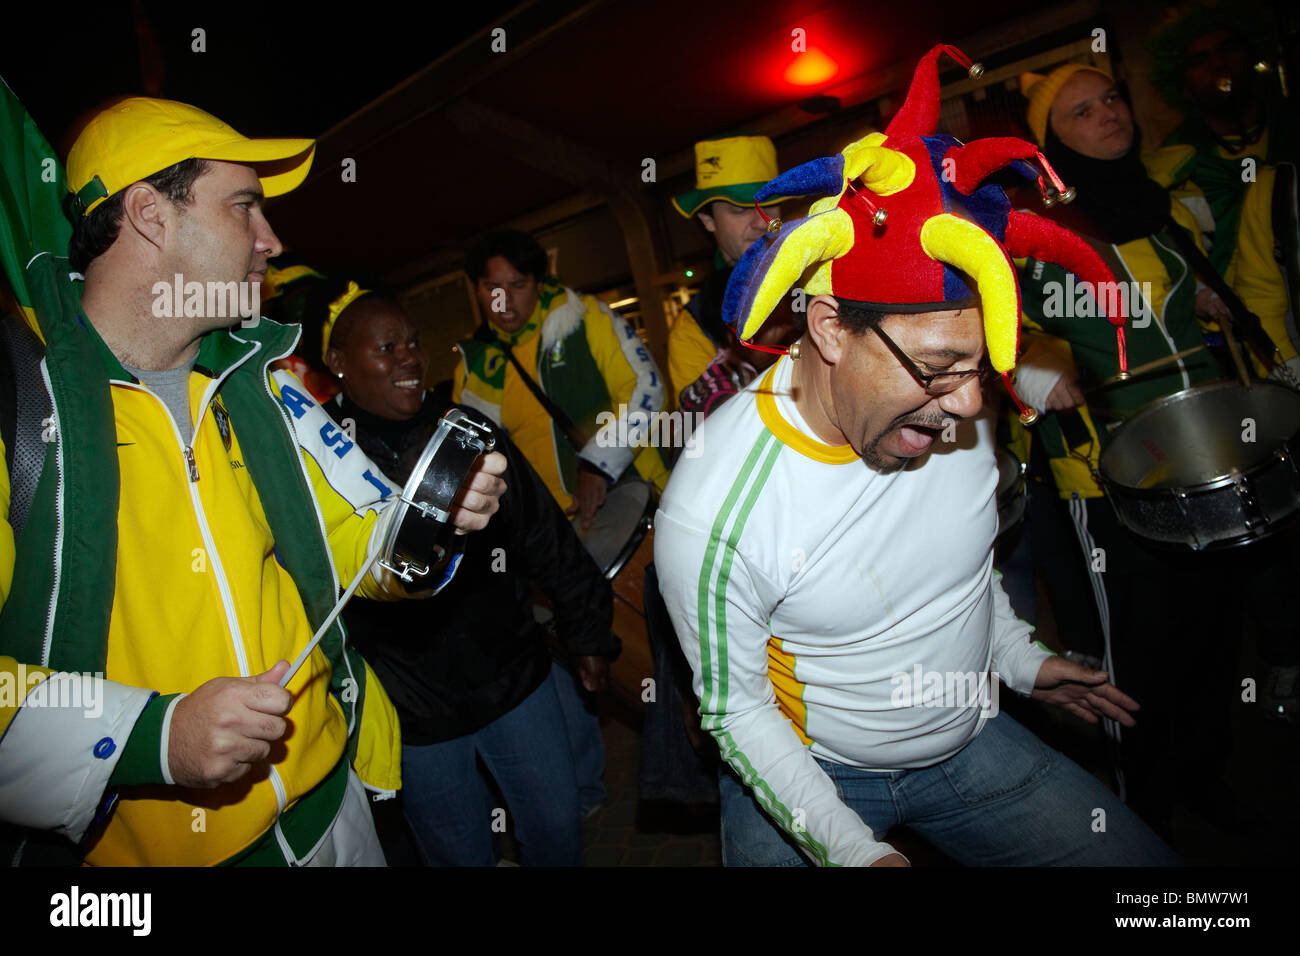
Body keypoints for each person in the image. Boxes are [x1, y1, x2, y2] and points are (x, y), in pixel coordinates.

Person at [654, 45, 1178, 867]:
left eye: (980, 366)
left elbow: (961, 574)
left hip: (971, 741)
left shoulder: (955, 404)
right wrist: (854, 853)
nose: (970, 406)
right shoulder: (714, 508)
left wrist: (1020, 661)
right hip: (808, 772)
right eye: (936, 370)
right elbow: (736, 712)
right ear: (829, 328)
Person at [0, 96, 506, 866]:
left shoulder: (265, 384)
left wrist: (434, 520)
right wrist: (150, 738)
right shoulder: (17, 407)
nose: (272, 240)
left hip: (340, 812)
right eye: (245, 208)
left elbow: (359, 547)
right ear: (149, 215)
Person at [1015, 64, 1300, 829]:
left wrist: (1202, 294)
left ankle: (1205, 775)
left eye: (1110, 98)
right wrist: (1037, 371)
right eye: (1082, 111)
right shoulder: (1039, 229)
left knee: (1209, 633)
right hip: (1107, 476)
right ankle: (1135, 805)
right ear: (1052, 141)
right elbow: (996, 326)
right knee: (1137, 652)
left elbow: (1175, 298)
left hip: (1203, 454)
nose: (1109, 114)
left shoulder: (1158, 207)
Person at [316, 280, 616, 865]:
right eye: (386, 348)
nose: (409, 357)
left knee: (557, 833)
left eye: (412, 343)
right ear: (338, 363)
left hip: (513, 684)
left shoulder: (465, 431)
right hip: (417, 718)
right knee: (460, 857)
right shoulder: (321, 453)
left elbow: (543, 534)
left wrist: (588, 633)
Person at [454, 229, 669, 529]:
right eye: (492, 287)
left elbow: (648, 390)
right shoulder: (473, 365)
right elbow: (473, 458)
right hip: (551, 532)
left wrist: (598, 463)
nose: (504, 300)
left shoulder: (586, 318)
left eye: (518, 285)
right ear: (477, 289)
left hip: (636, 504)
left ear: (539, 284)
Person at [668, 135, 792, 404]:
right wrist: (752, 365)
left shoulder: (822, 278)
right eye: (739, 209)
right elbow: (702, 432)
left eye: (769, 204)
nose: (761, 222)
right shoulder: (694, 328)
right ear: (708, 220)